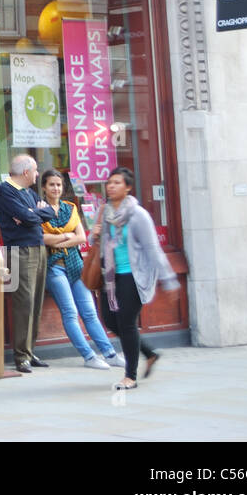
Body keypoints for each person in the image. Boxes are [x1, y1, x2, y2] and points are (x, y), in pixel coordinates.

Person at [90, 167, 179, 390]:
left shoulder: (138, 215)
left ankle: (130, 376)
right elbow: (97, 244)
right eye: (109, 182)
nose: (111, 186)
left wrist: (169, 279)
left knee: (127, 323)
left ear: (128, 187)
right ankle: (149, 354)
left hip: (133, 275)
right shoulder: (105, 212)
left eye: (117, 183)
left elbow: (153, 249)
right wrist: (96, 234)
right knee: (110, 321)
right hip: (110, 277)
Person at [38, 169, 122, 370]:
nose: (56, 188)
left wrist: (59, 239)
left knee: (90, 312)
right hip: (54, 268)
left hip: (76, 266)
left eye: (59, 185)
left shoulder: (70, 208)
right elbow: (41, 239)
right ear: (44, 187)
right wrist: (68, 237)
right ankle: (88, 356)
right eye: (51, 185)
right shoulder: (39, 211)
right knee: (70, 312)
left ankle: (109, 353)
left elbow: (82, 238)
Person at [0, 153, 52, 374]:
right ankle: (21, 356)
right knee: (24, 303)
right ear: (26, 172)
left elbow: (49, 212)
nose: (38, 174)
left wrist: (34, 213)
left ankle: (29, 350)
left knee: (36, 301)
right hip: (20, 250)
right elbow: (27, 217)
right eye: (36, 170)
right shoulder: (6, 190)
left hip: (38, 248)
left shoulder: (28, 192)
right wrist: (33, 214)